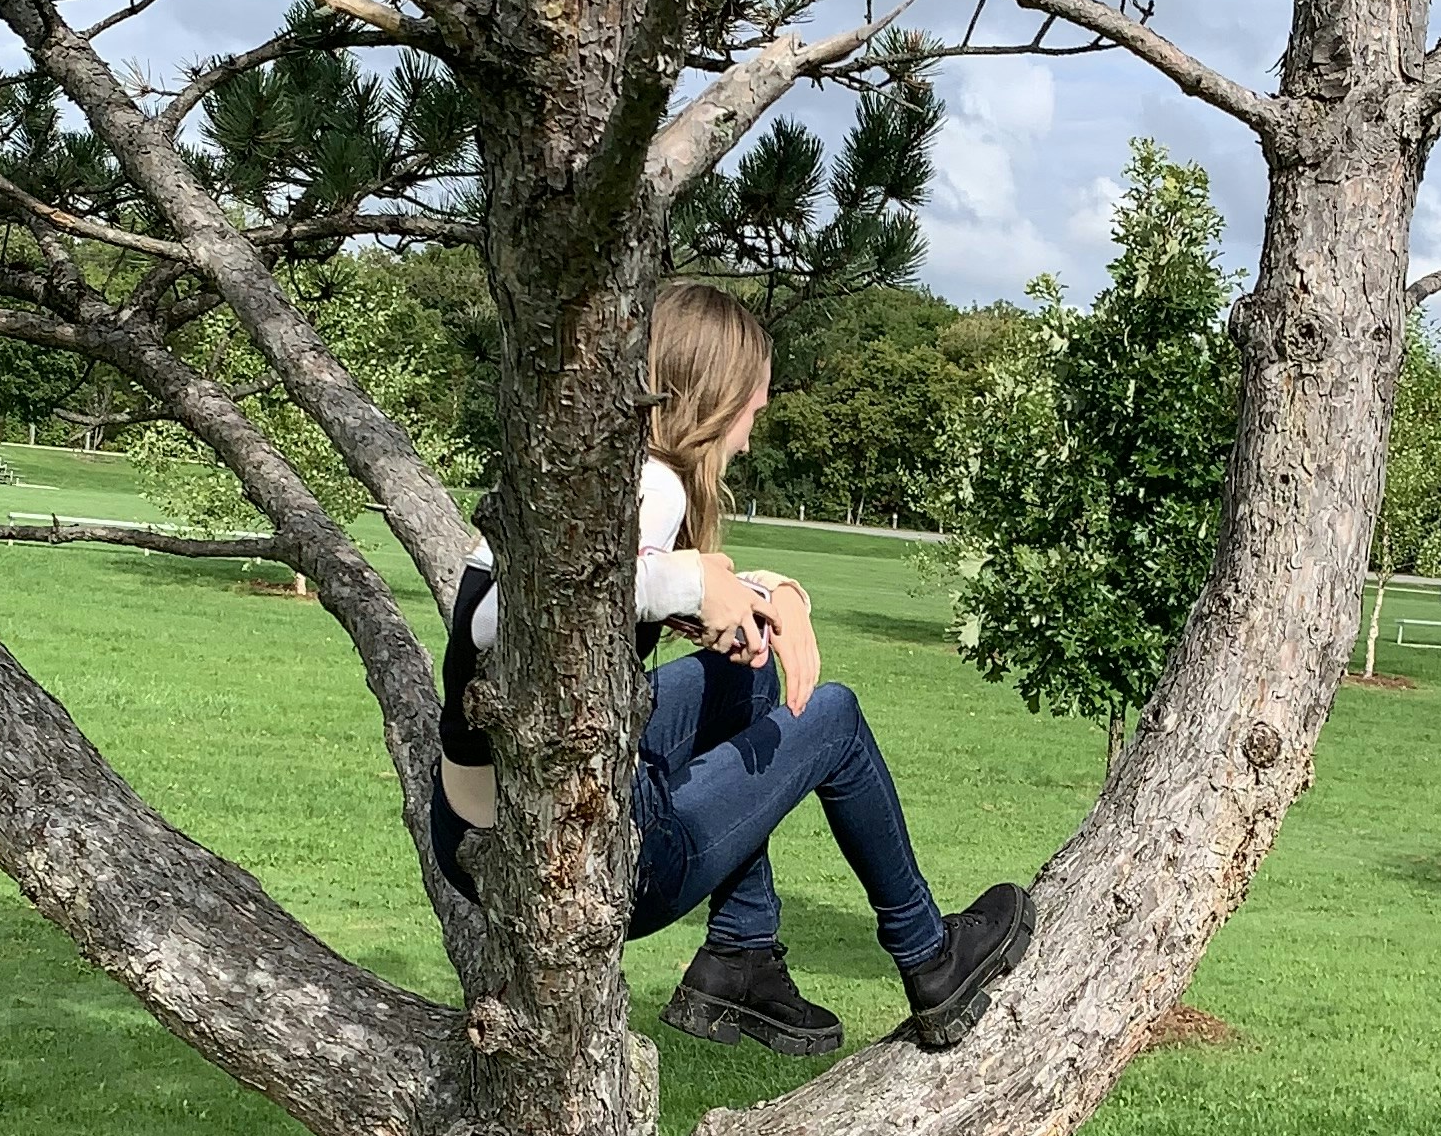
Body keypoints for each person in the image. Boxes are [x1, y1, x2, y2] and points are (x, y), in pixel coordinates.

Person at [431, 284, 1036, 1056]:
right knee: (836, 719)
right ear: (712, 405)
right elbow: (508, 619)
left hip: (476, 833)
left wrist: (773, 592)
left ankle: (741, 952)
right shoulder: (650, 484)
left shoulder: (569, 481)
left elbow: (609, 586)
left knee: (747, 681)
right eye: (753, 411)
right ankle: (932, 959)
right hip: (592, 863)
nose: (749, 439)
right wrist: (695, 583)